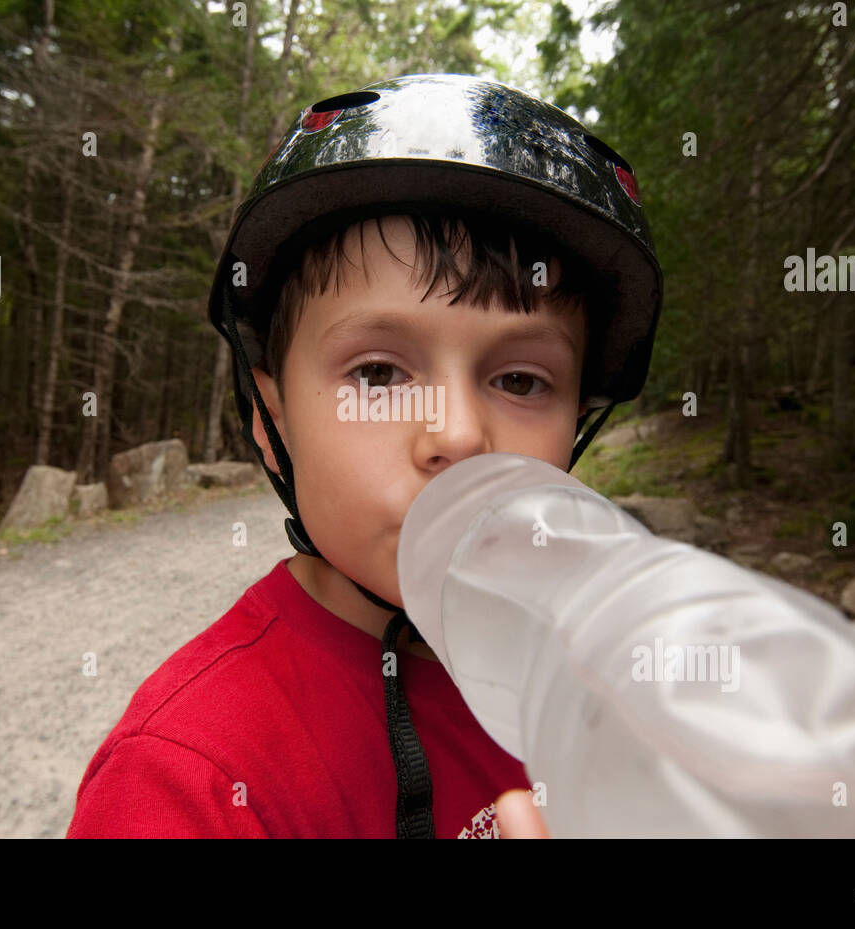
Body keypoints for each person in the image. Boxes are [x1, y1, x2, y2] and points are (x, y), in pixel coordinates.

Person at [66, 73, 663, 838]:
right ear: (272, 415)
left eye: (520, 379)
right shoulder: (186, 781)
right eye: (379, 373)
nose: (459, 436)